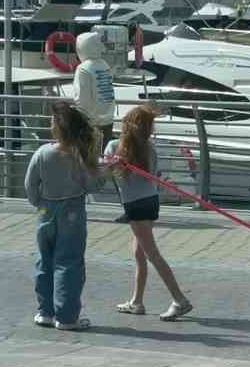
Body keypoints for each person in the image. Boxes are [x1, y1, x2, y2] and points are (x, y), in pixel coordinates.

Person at [105, 105, 193, 321]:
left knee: (152, 254)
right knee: (139, 252)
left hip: (135, 204)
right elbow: (153, 174)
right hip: (151, 201)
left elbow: (103, 173)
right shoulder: (149, 148)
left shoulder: (114, 146)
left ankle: (180, 300)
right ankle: (136, 302)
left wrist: (110, 164)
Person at [24, 101, 104, 330]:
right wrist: (103, 172)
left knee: (44, 259)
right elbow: (92, 185)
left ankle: (45, 312)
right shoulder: (79, 154)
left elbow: (30, 185)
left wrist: (39, 204)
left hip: (46, 210)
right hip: (73, 210)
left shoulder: (42, 152)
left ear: (56, 128)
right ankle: (67, 317)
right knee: (68, 262)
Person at [71, 31, 115, 150]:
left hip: (90, 123)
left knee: (88, 157)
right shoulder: (104, 65)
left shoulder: (83, 69)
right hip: (108, 121)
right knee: (104, 156)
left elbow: (81, 99)